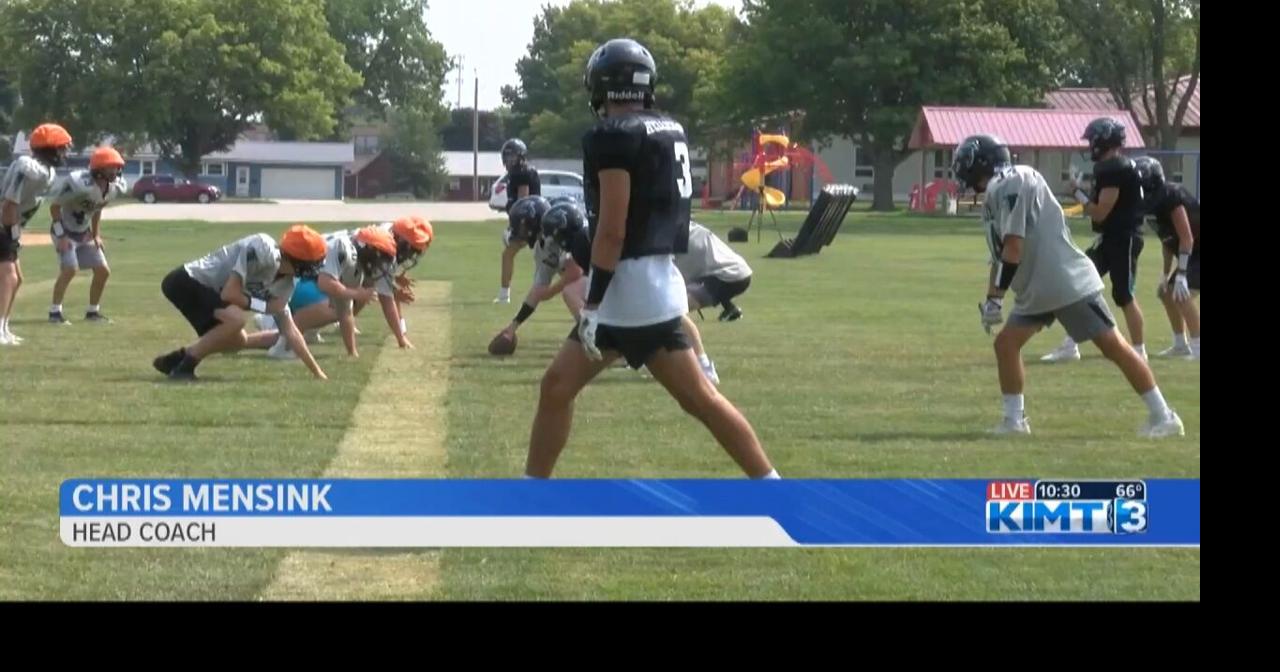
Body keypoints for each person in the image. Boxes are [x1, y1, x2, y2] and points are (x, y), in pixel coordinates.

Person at [524, 38, 779, 478]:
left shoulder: (613, 137)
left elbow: (613, 229)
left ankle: (772, 485)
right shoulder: (666, 129)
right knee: (561, 387)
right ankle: (531, 490)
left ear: (601, 88)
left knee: (696, 399)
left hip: (628, 295)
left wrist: (593, 303)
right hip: (657, 284)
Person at [953, 134, 1183, 437]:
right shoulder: (998, 191)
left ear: (979, 161)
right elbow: (999, 255)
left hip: (1064, 282)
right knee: (1006, 344)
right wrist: (991, 297)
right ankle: (1014, 422)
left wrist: (997, 300)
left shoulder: (1014, 179)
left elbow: (1013, 246)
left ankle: (1164, 416)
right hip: (1038, 288)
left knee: (1113, 346)